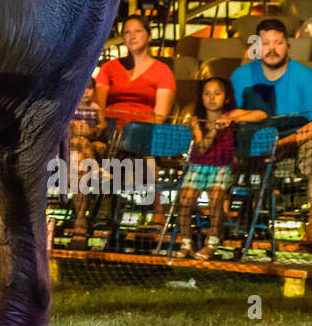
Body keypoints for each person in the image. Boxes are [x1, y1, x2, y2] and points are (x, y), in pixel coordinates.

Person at [230, 18, 312, 246]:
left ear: (288, 46)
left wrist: (290, 141)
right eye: (265, 43)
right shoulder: (240, 76)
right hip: (251, 144)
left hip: (296, 143)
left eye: (277, 43)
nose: (271, 49)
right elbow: (227, 116)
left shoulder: (306, 76)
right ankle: (218, 227)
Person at [175, 76, 266, 259]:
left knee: (216, 198)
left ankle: (213, 242)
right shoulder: (196, 120)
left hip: (222, 168)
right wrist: (214, 130)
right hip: (197, 167)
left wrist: (232, 119)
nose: (211, 98)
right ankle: (186, 243)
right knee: (185, 199)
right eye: (207, 94)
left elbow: (261, 114)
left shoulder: (230, 115)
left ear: (225, 98)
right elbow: (202, 148)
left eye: (217, 94)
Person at [95, 14, 176, 221]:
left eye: (138, 31)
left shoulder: (162, 71)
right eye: (127, 32)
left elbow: (160, 114)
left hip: (142, 132)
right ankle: (96, 213)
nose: (132, 36)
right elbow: (99, 105)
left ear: (149, 36)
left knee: (146, 157)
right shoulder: (109, 68)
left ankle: (154, 214)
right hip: (110, 131)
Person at [67, 77, 107, 247]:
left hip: (85, 149)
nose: (86, 92)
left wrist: (94, 130)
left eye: (89, 89)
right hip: (73, 147)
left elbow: (102, 125)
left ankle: (80, 219)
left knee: (83, 144)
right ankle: (93, 167)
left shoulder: (95, 108)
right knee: (79, 141)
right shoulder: (69, 107)